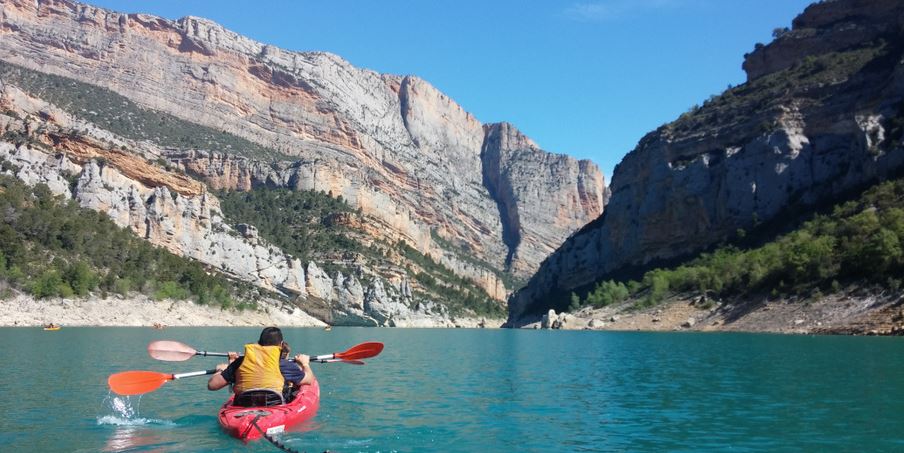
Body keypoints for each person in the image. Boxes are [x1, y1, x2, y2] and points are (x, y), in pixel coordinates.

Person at [207, 327, 315, 403]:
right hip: (273, 406)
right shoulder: (284, 365)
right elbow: (309, 379)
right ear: (281, 345)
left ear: (259, 343)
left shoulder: (240, 362)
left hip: (243, 406)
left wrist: (222, 370)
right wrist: (305, 364)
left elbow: (212, 385)